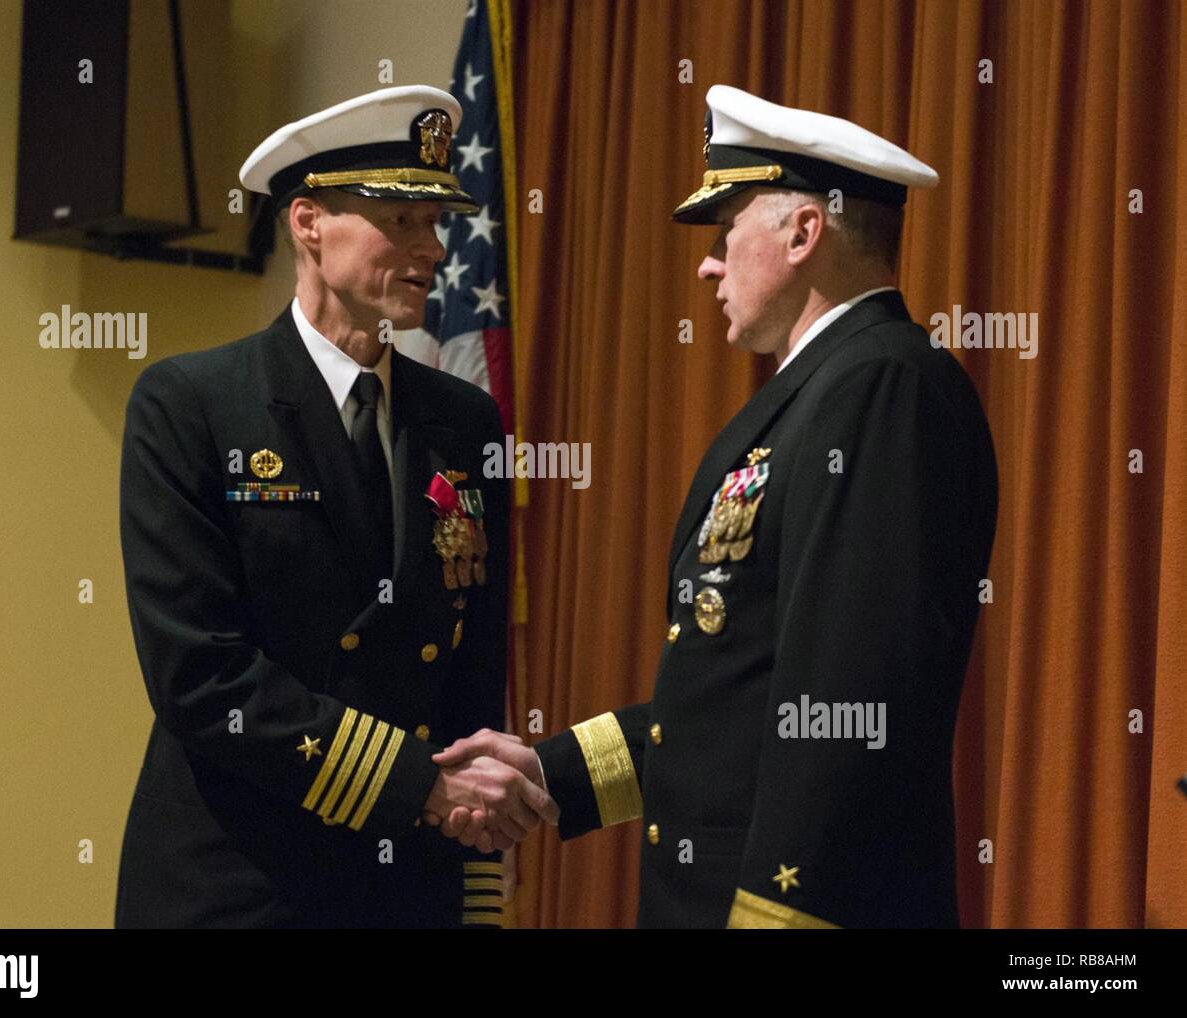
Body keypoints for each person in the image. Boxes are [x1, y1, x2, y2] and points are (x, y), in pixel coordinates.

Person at [430, 85, 999, 929]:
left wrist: (776, 917)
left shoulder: (882, 389)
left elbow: (848, 699)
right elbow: (733, 703)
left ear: (805, 232)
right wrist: (553, 772)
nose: (708, 262)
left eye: (727, 228)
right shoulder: (824, 392)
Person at [115, 85, 555, 929]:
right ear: (308, 223)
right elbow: (202, 678)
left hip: (407, 889)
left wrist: (470, 878)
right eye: (402, 220)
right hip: (240, 883)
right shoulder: (191, 404)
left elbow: (470, 669)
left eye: (437, 223)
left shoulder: (465, 421)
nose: (431, 247)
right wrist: (420, 784)